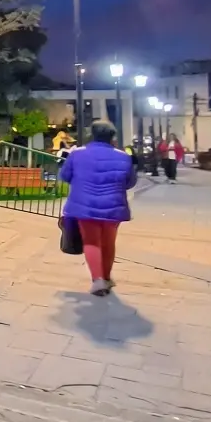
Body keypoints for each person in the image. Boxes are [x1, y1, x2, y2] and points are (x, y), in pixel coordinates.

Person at [60, 120, 136, 296]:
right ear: (112, 137)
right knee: (109, 242)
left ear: (92, 134)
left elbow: (65, 175)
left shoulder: (77, 154)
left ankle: (98, 280)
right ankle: (107, 277)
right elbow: (130, 182)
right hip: (113, 207)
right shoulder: (123, 156)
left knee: (91, 241)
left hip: (84, 206)